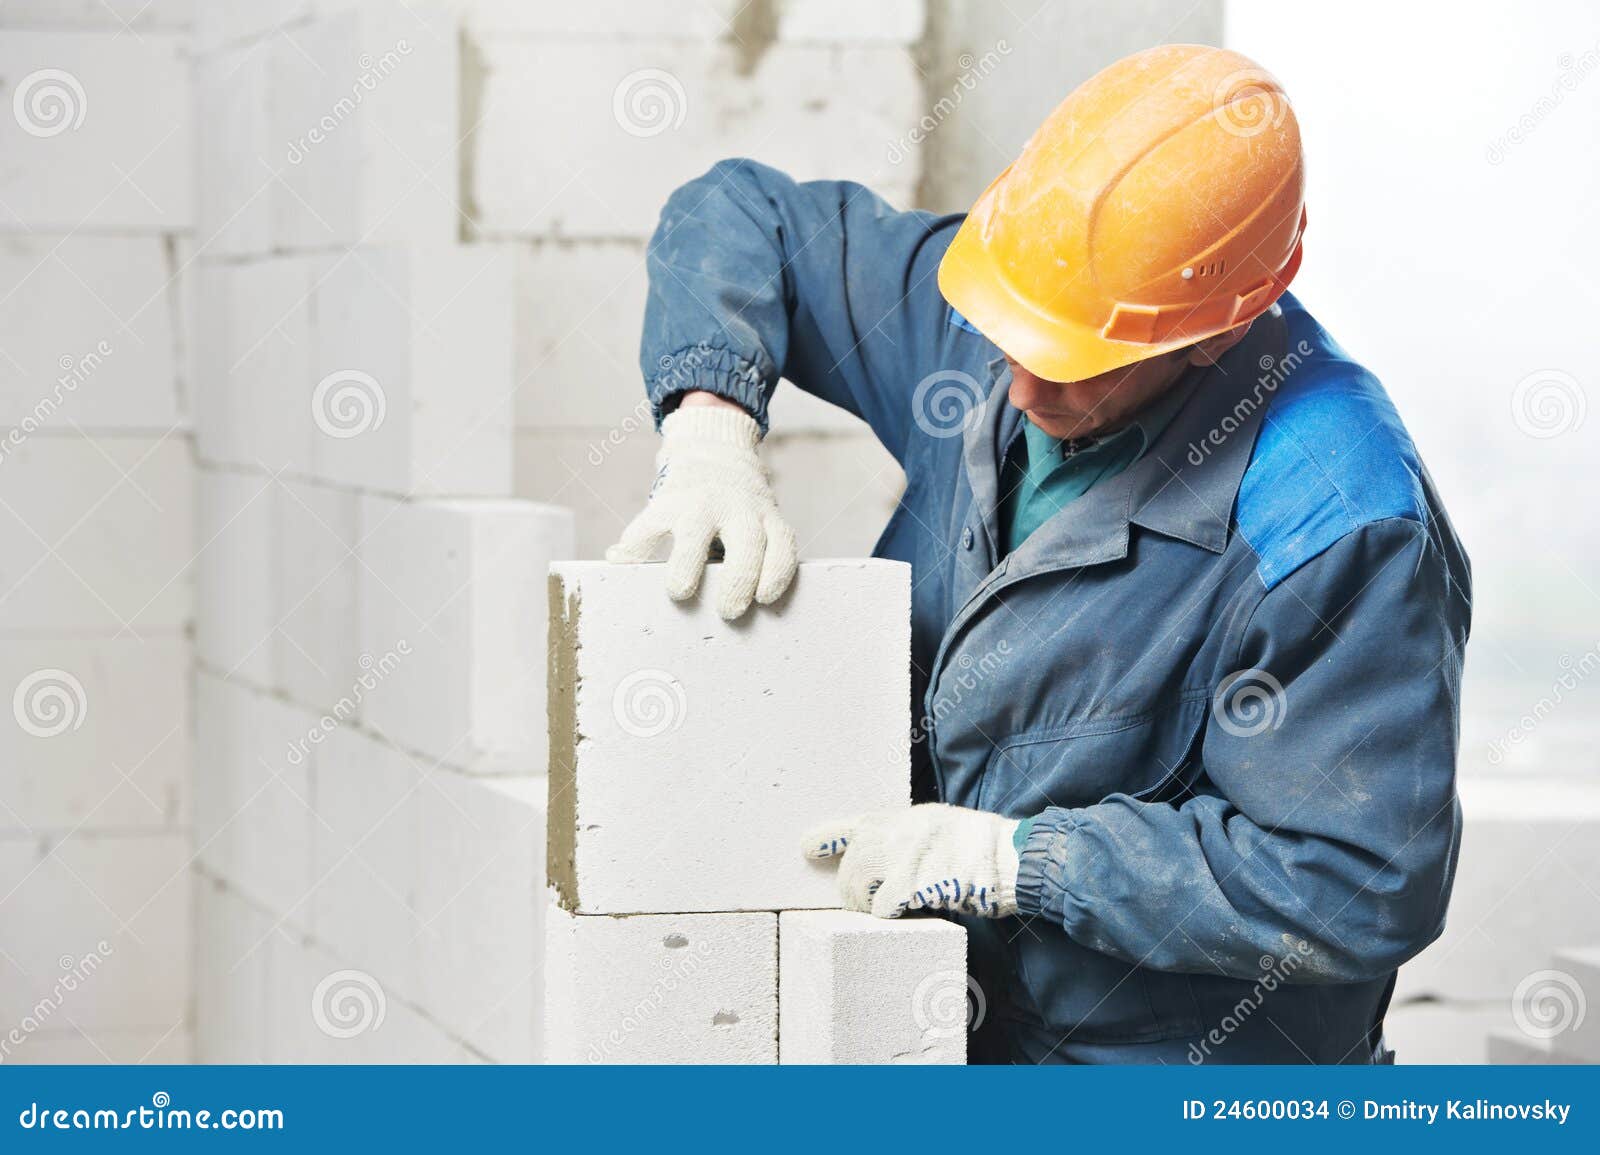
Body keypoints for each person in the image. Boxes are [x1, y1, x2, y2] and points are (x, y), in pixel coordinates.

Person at [606, 43, 1471, 1064]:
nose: (1017, 387)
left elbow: (1353, 882)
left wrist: (1023, 861)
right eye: (1009, 335)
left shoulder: (1337, 521)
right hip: (960, 1023)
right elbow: (742, 213)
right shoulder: (1025, 303)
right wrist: (708, 425)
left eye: (1072, 365)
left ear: (1212, 334)